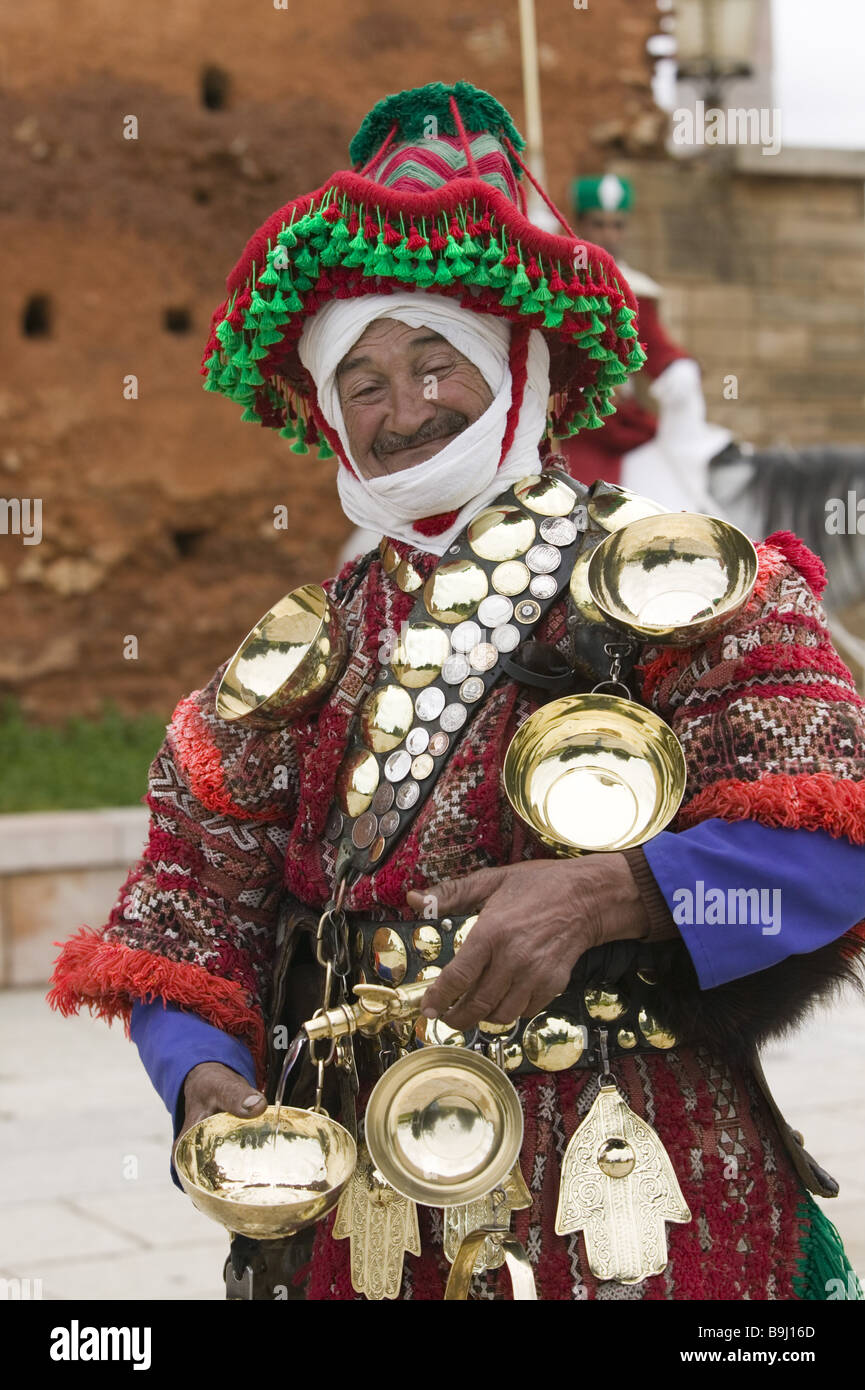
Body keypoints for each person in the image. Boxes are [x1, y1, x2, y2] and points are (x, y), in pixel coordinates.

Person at [49, 83, 865, 1301]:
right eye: (361, 382)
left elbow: (836, 836)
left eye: (438, 361)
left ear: (519, 364)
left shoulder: (678, 581)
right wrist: (199, 1078)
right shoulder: (291, 660)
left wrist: (615, 893)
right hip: (356, 1214)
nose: (403, 410)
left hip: (632, 1179)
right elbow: (184, 916)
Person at [561, 173, 730, 514]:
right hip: (570, 426)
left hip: (624, 425)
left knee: (680, 499)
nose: (609, 235)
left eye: (617, 225)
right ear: (578, 224)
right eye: (598, 224)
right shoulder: (551, 281)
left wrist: (678, 367)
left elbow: (655, 346)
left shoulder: (638, 290)